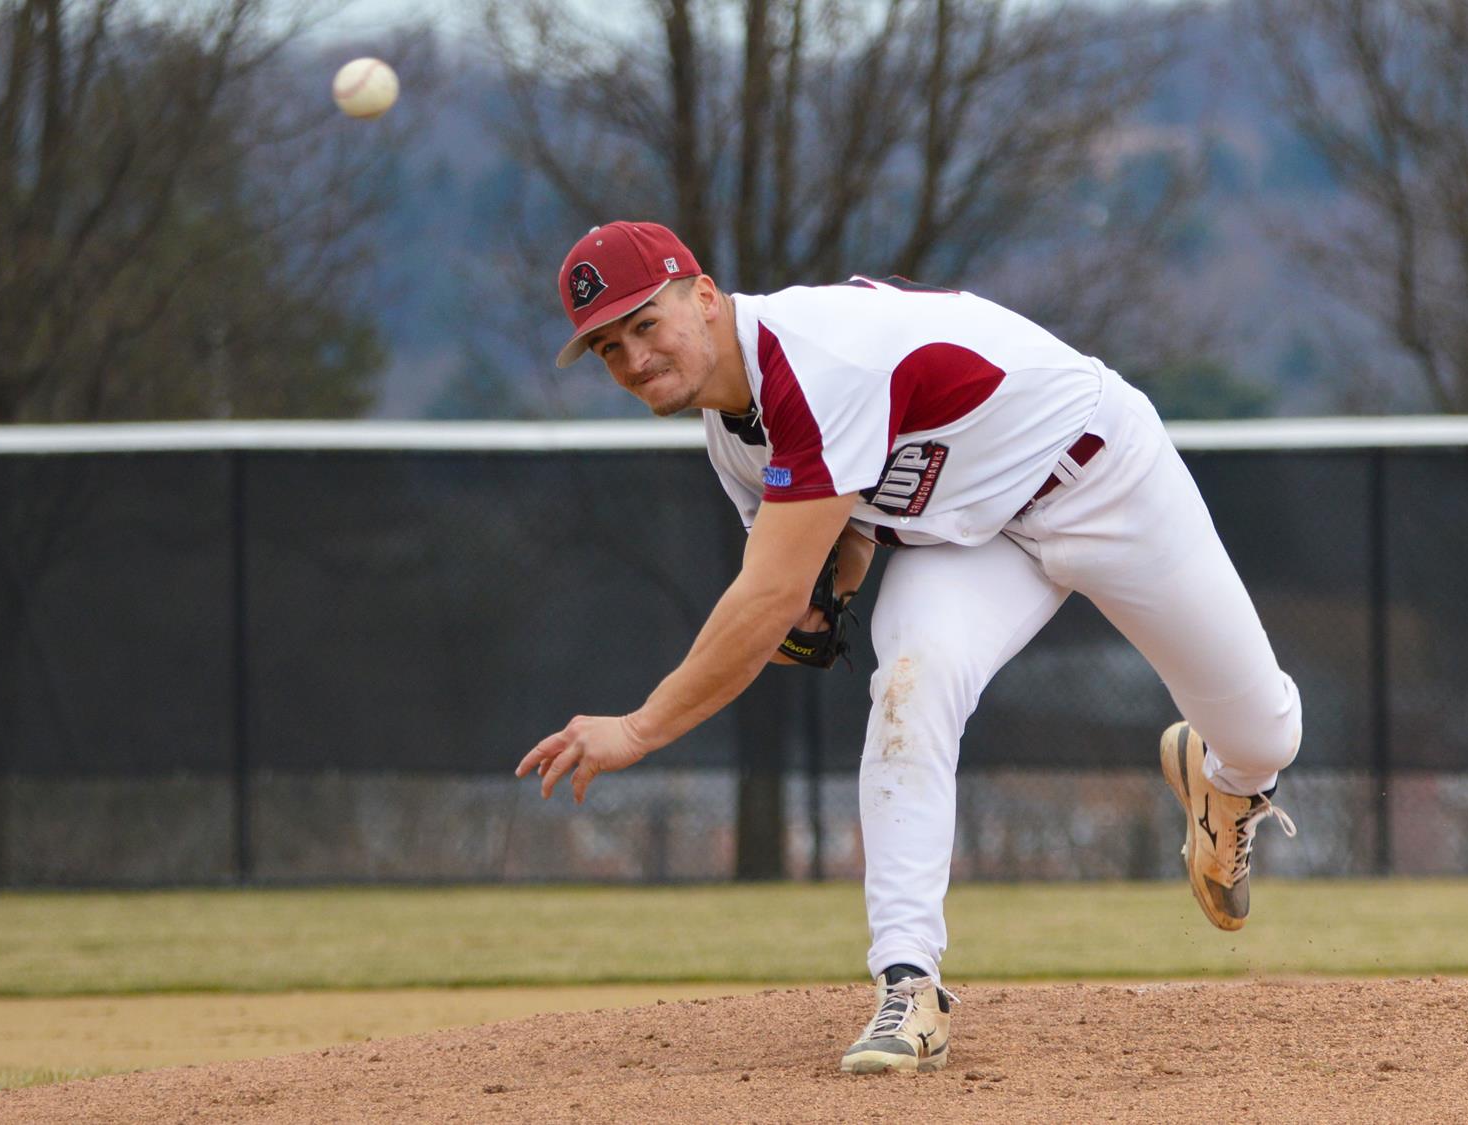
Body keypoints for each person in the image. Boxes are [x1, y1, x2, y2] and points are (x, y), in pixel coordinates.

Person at [517, 220, 1303, 1071]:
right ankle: (908, 982)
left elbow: (768, 593)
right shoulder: (732, 434)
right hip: (970, 539)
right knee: (911, 683)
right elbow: (829, 556)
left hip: (1103, 476)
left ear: (704, 297)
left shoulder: (816, 361)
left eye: (645, 323)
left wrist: (638, 728)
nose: (633, 358)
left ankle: (1226, 786)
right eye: (606, 347)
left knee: (1266, 736)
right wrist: (830, 598)